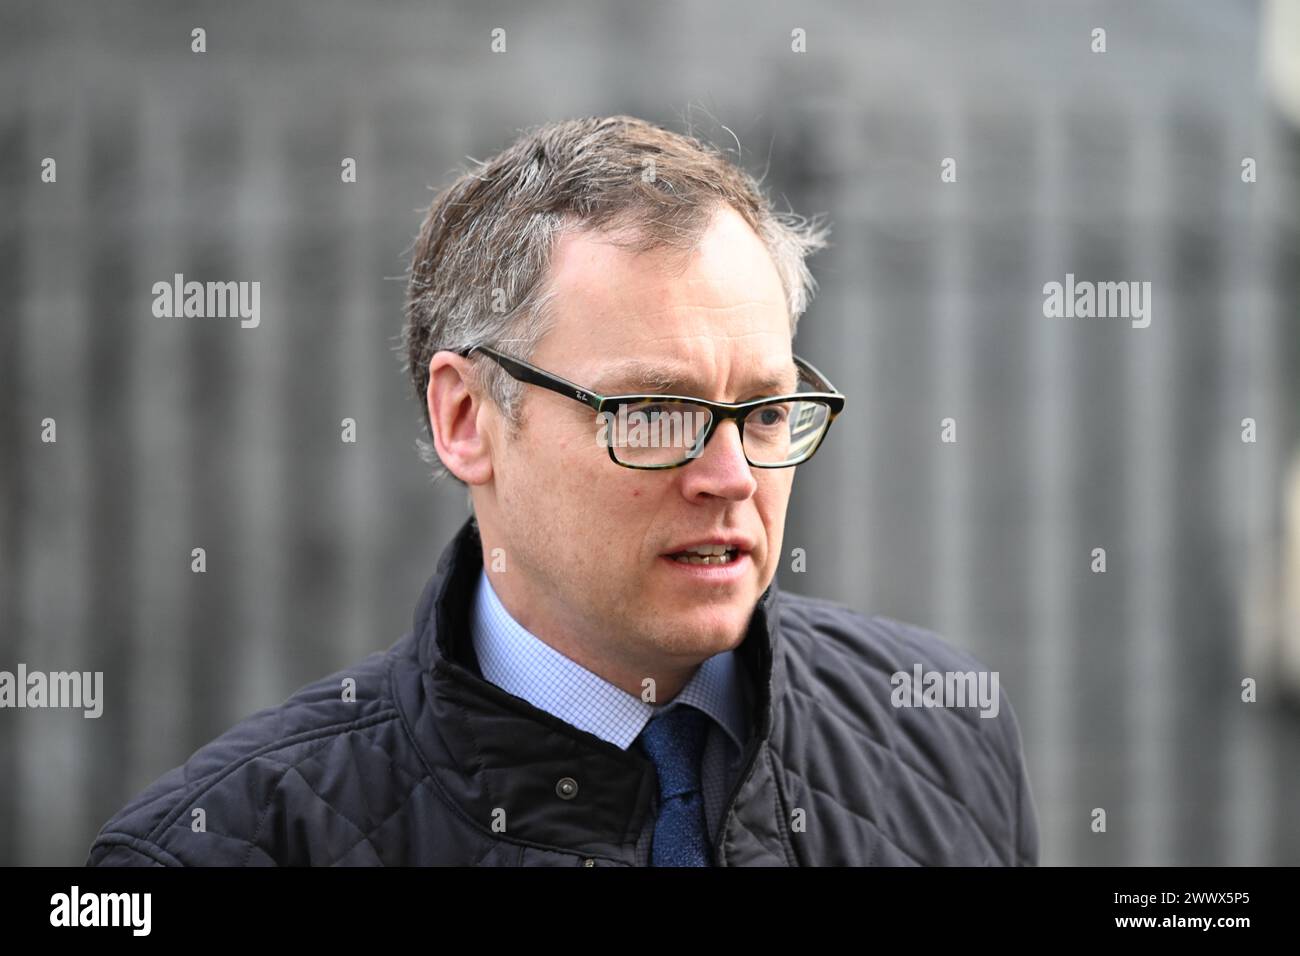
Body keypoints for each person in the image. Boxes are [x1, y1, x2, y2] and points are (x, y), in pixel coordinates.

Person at [87, 115, 1038, 866]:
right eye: (653, 414)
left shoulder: (942, 730)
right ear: (467, 418)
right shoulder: (222, 843)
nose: (732, 478)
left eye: (760, 412)